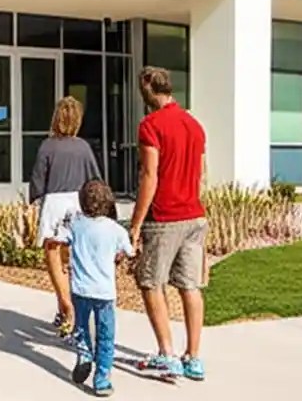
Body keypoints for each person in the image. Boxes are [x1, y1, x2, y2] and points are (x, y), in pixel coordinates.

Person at [129, 66, 208, 381]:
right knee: (190, 286)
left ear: (147, 89)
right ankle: (194, 357)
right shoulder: (194, 125)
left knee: (150, 282)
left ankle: (167, 354)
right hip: (194, 215)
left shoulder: (150, 125)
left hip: (164, 217)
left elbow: (150, 176)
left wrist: (135, 225)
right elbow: (202, 174)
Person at [29, 96, 102, 336]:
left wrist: (33, 202)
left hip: (55, 203)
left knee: (53, 255)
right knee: (74, 258)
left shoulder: (48, 146)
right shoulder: (83, 147)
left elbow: (39, 179)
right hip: (78, 203)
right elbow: (94, 179)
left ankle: (65, 305)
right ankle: (72, 307)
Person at [63, 180, 135, 396]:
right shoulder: (115, 230)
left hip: (80, 289)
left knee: (82, 327)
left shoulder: (75, 225)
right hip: (104, 292)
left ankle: (84, 354)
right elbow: (129, 252)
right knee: (106, 335)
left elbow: (60, 241)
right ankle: (102, 378)